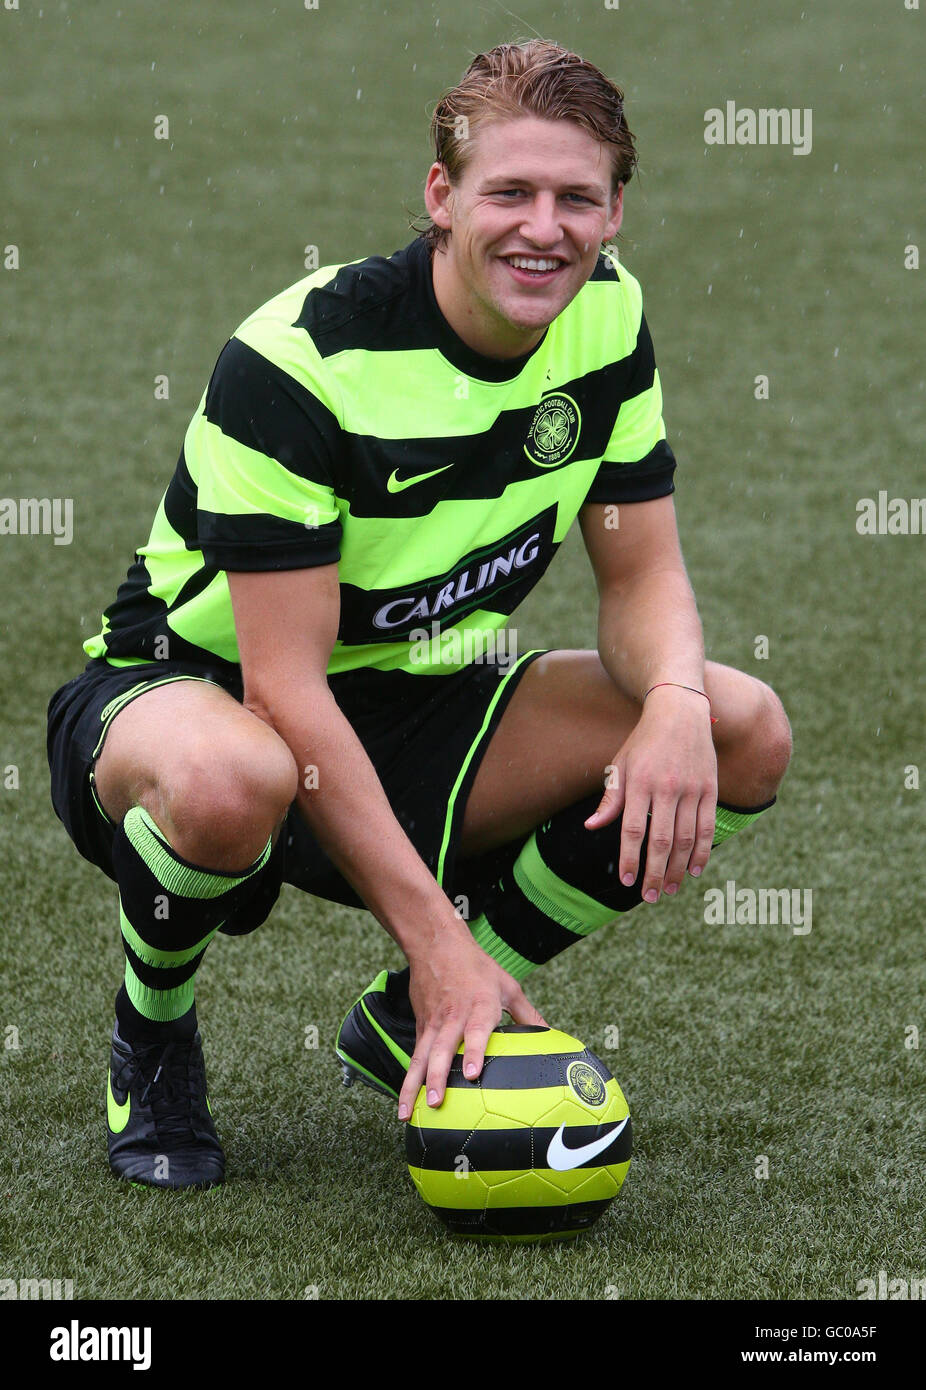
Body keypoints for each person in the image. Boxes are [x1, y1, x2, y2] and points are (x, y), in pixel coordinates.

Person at [46, 39, 791, 1190]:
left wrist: (677, 702)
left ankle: (414, 1014)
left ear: (615, 213)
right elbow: (282, 690)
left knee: (741, 726)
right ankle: (153, 1030)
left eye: (574, 198)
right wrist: (429, 928)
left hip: (416, 699)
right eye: (509, 191)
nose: (543, 227)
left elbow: (641, 578)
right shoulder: (300, 363)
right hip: (190, 697)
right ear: (440, 197)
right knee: (227, 776)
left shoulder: (604, 317)